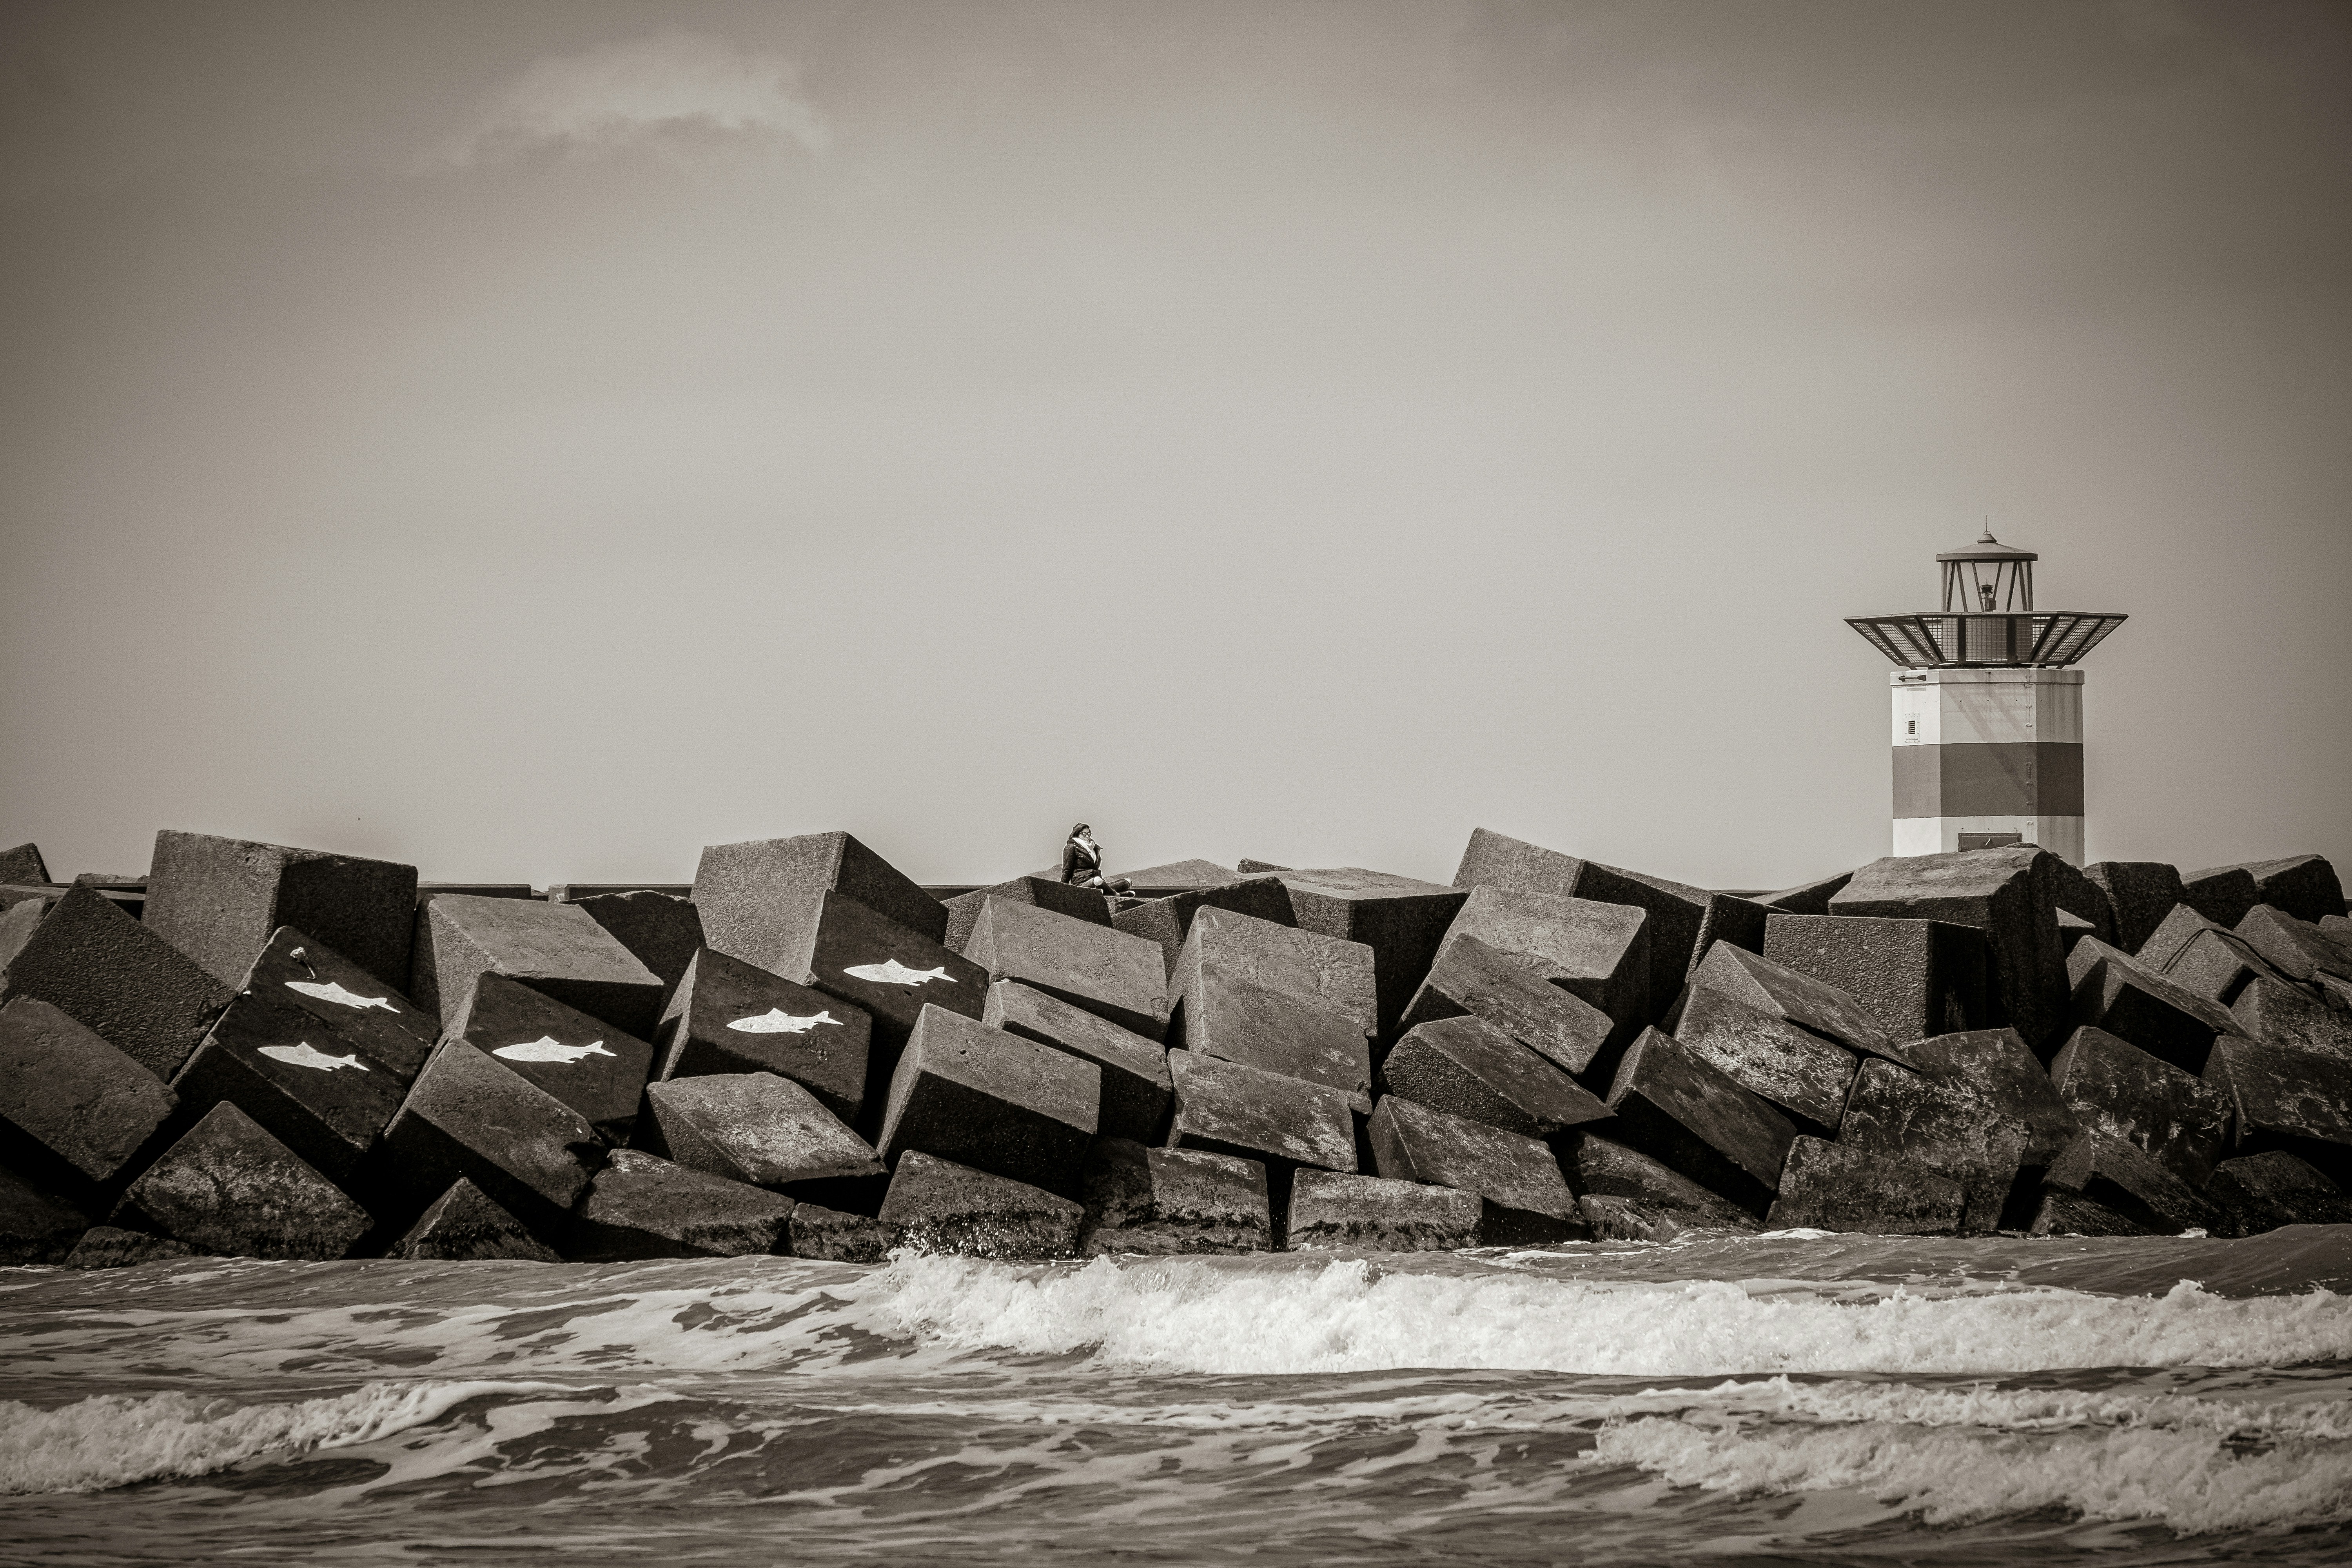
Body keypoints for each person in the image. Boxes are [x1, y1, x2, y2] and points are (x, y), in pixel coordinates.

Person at [1059, 824, 1132, 894]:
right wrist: (1063, 889)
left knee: (1127, 882)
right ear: (1077, 834)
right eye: (1084, 834)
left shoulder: (1095, 848)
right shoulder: (1071, 848)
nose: (1087, 836)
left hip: (1099, 882)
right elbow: (1067, 870)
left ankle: (1103, 891)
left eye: (1089, 834)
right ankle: (1116, 894)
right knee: (1097, 881)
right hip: (1082, 883)